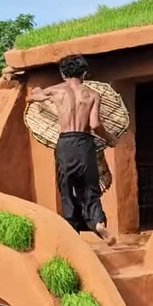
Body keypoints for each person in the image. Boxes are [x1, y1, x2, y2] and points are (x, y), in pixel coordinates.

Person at [29, 55, 119, 246]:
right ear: (84, 73)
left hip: (65, 144)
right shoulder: (92, 95)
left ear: (63, 73)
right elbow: (95, 124)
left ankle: (71, 233)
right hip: (84, 143)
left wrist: (37, 91)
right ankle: (98, 223)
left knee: (66, 189)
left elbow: (32, 98)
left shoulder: (56, 91)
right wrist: (110, 138)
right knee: (90, 189)